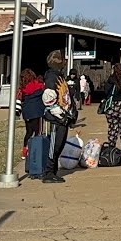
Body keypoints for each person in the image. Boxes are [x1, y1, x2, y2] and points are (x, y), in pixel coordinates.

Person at [41, 50, 76, 183]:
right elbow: (48, 98)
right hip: (56, 119)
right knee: (54, 146)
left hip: (63, 117)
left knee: (59, 145)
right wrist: (60, 115)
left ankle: (53, 170)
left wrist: (71, 114)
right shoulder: (51, 77)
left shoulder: (59, 76)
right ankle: (49, 173)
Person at [101, 63, 121, 152]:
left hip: (111, 108)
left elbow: (106, 93)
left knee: (112, 129)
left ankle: (111, 150)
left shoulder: (110, 80)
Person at [16, 68, 44, 158]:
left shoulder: (22, 89)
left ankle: (25, 151)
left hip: (27, 113)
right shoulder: (38, 86)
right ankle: (36, 151)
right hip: (37, 112)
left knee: (28, 132)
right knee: (38, 132)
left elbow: (19, 99)